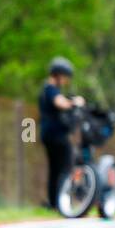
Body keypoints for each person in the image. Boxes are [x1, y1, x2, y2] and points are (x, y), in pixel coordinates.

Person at [38, 57, 85, 211]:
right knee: (65, 168)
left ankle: (53, 203)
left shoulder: (45, 89)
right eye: (64, 77)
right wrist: (74, 103)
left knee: (55, 170)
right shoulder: (51, 89)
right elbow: (59, 102)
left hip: (47, 134)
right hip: (56, 135)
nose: (65, 81)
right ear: (58, 75)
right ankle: (60, 203)